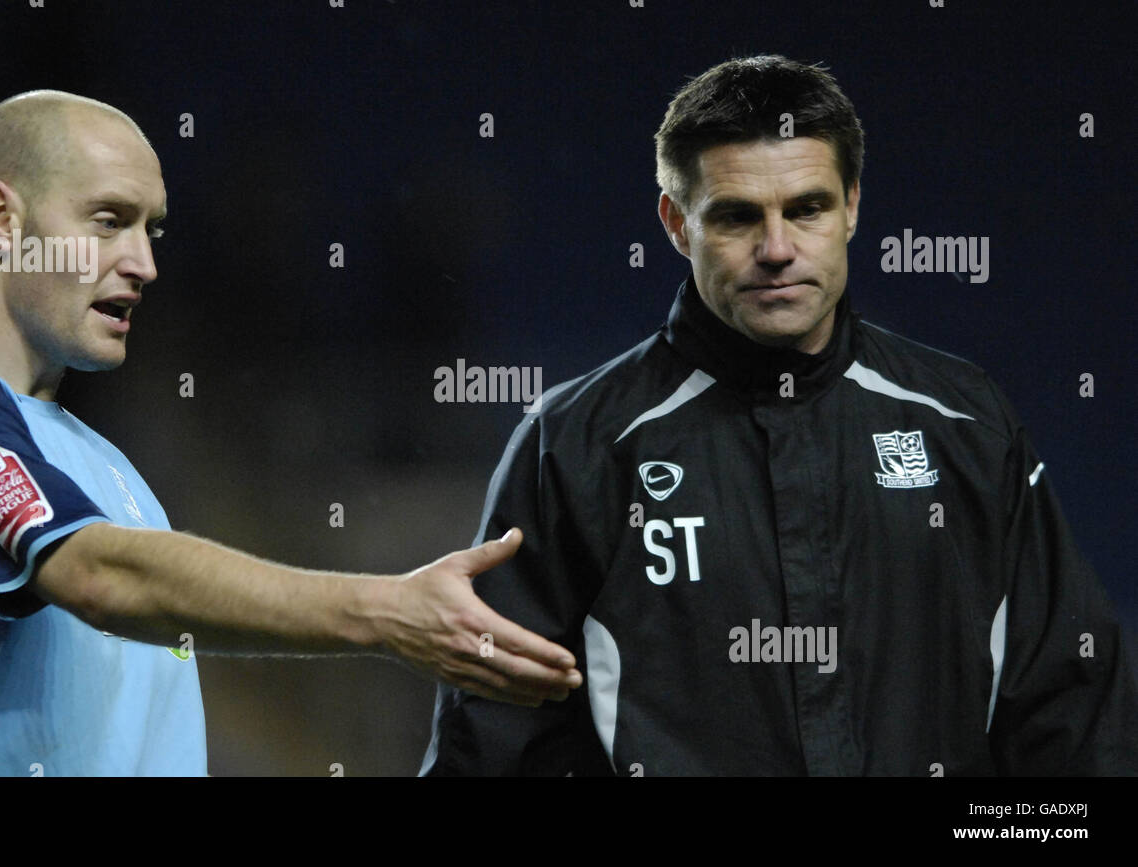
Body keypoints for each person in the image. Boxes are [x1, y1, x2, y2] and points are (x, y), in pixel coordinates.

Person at [420, 55, 1138, 776]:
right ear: (676, 223)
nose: (776, 249)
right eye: (737, 216)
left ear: (852, 205)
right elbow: (489, 747)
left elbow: (1076, 721)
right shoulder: (575, 446)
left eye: (807, 208)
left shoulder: (966, 422)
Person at [0, 90, 581, 777]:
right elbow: (100, 576)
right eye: (108, 220)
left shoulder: (106, 467)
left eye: (151, 230)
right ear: (0, 218)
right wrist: (386, 613)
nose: (144, 264)